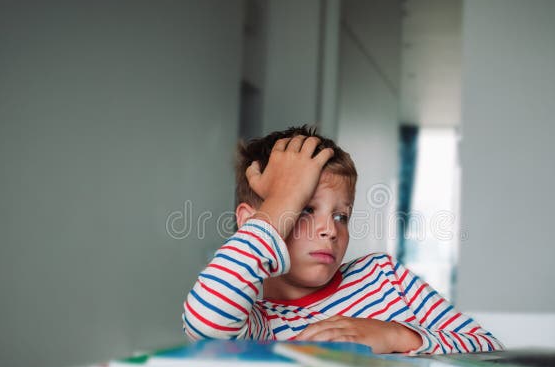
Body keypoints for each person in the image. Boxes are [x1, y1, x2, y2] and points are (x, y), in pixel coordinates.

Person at [182, 126, 502, 354]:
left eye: (341, 216)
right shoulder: (257, 322)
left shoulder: (384, 276)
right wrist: (282, 200)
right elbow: (206, 323)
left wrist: (395, 336)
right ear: (253, 221)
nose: (330, 230)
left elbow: (489, 347)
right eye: (305, 209)